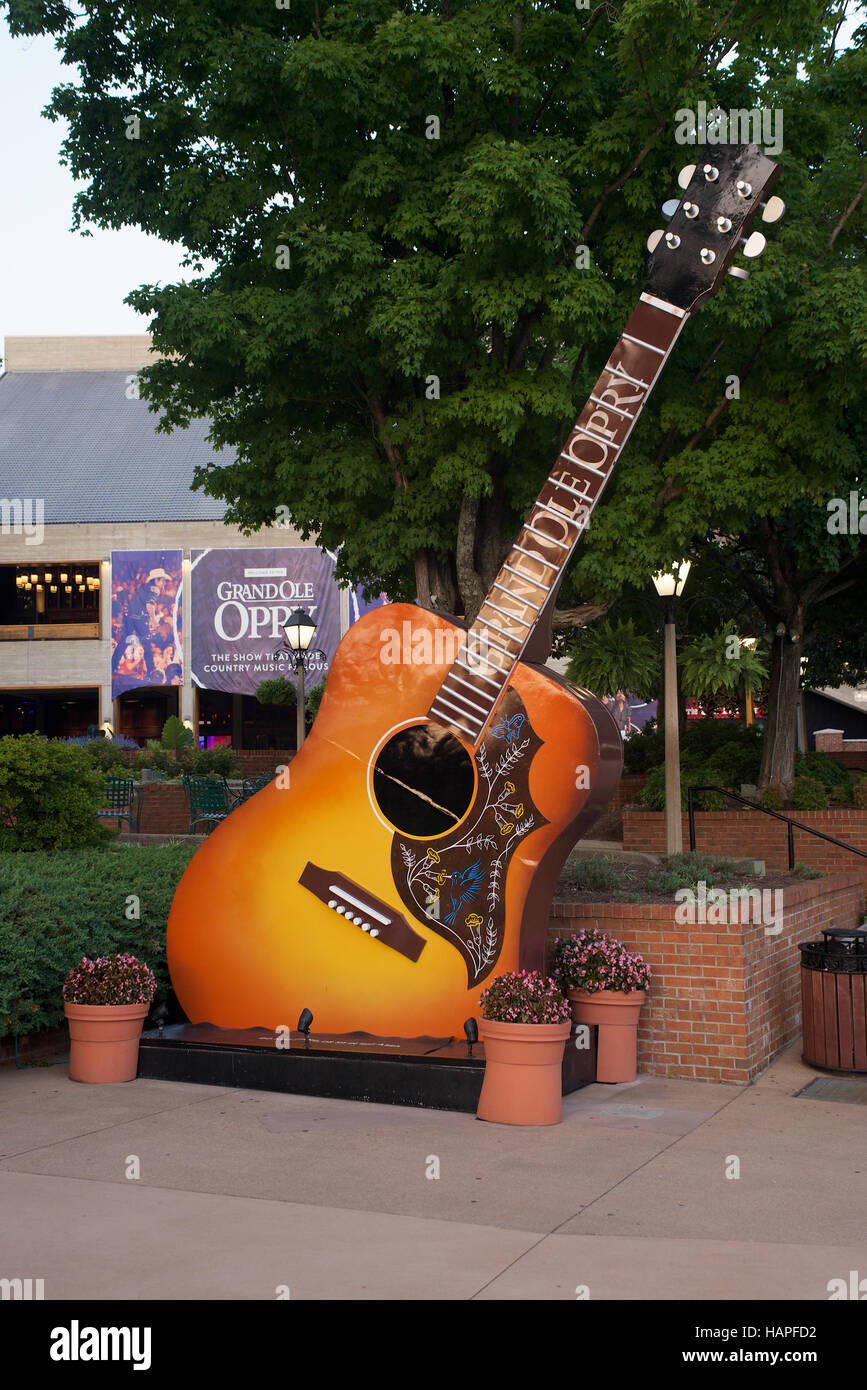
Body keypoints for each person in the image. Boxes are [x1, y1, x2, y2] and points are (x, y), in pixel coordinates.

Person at [110, 567, 174, 678]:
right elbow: (150, 605)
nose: (164, 583)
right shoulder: (155, 589)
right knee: (147, 644)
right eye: (162, 580)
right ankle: (151, 672)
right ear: (156, 580)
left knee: (124, 641)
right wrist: (154, 620)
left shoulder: (144, 587)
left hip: (130, 617)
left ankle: (112, 665)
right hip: (139, 618)